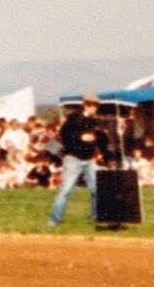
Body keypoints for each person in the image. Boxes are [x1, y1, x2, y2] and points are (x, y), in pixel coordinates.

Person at [47, 95, 111, 227]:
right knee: (66, 189)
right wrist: (80, 137)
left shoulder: (96, 121)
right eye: (90, 104)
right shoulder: (73, 118)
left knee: (96, 190)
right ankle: (54, 220)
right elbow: (64, 135)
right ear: (85, 104)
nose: (93, 107)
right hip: (72, 158)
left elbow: (101, 140)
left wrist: (104, 153)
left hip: (89, 158)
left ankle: (96, 218)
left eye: (95, 105)